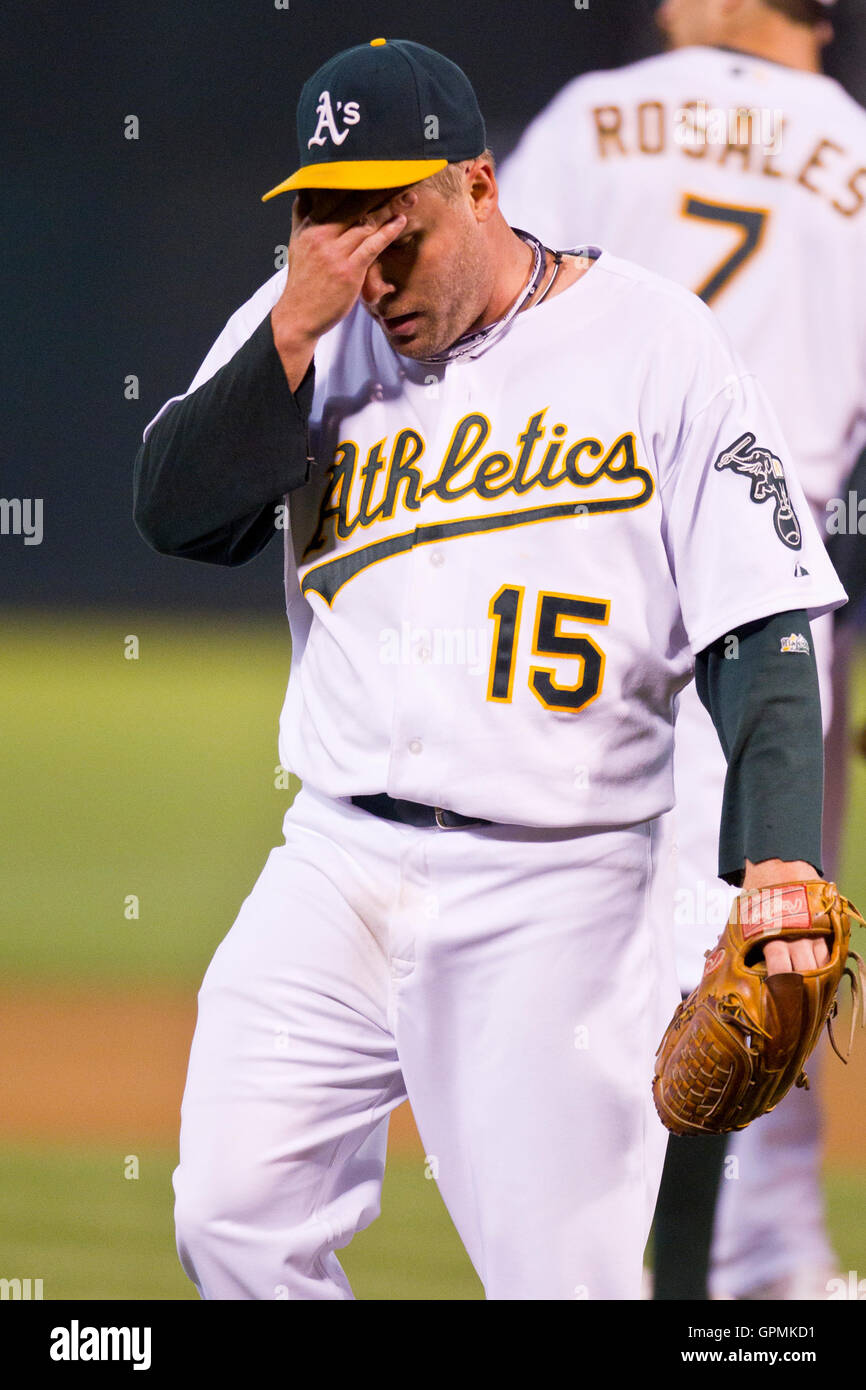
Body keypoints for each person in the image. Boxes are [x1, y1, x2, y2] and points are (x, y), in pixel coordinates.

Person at [133, 36, 845, 1301]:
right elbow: (177, 510)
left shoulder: (654, 342)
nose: (369, 269)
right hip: (335, 866)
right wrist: (294, 328)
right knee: (230, 1219)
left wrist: (777, 848)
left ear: (478, 183)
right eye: (330, 227)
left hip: (556, 894)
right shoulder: (304, 324)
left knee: (562, 1284)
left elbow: (765, 620)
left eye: (393, 228)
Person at [497, 0, 866, 1300]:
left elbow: (491, 333)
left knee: (539, 938)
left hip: (562, 593)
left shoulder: (593, 121)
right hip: (758, 604)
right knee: (733, 980)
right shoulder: (853, 152)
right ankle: (695, 1293)